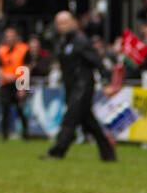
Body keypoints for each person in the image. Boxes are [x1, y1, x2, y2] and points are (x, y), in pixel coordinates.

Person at [43, 11, 119, 162]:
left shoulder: (81, 41)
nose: (61, 26)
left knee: (70, 118)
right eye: (59, 23)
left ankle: (58, 151)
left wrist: (107, 82)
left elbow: (97, 62)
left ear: (73, 22)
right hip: (71, 86)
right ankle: (108, 153)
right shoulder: (62, 43)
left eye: (65, 22)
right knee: (88, 122)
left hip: (83, 86)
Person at [0, 27, 31, 141]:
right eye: (7, 36)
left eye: (12, 36)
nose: (9, 38)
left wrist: (23, 87)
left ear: (16, 37)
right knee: (5, 108)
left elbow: (27, 67)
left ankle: (25, 134)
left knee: (20, 109)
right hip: (5, 83)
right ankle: (4, 135)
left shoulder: (24, 49)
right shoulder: (1, 51)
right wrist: (4, 76)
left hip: (19, 82)